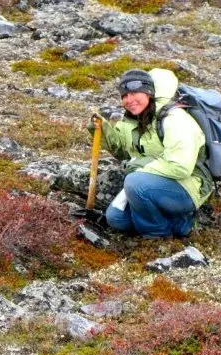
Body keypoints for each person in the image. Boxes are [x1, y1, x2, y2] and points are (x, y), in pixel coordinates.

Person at [88, 68, 213, 238]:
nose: (128, 100)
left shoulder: (174, 119)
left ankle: (156, 234)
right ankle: (180, 223)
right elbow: (123, 151)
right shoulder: (134, 120)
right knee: (115, 218)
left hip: (188, 186)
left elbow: (181, 167)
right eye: (124, 95)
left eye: (134, 93)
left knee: (134, 182)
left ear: (149, 92)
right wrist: (103, 130)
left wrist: (141, 165)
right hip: (150, 180)